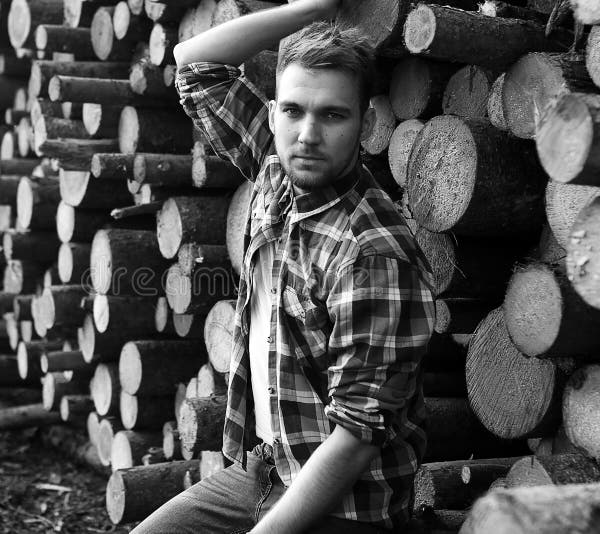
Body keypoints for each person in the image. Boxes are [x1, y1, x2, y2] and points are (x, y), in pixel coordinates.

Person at [133, 1, 435, 532]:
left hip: (345, 504)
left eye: (333, 115)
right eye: (294, 111)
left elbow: (356, 436)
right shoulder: (277, 170)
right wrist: (310, 9)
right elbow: (195, 64)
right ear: (273, 115)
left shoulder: (373, 253)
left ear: (365, 124)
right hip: (265, 470)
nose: (308, 134)